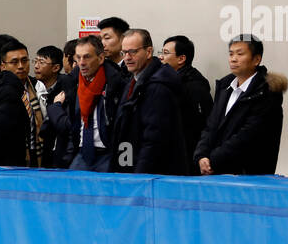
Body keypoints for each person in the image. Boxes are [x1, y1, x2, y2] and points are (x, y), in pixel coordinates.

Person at [194, 35, 288, 176]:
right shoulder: (225, 86)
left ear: (256, 59)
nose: (233, 58)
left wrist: (213, 160)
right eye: (231, 54)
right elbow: (210, 127)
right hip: (217, 171)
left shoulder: (267, 92)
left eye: (240, 54)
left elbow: (248, 136)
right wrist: (201, 156)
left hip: (248, 175)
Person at [108, 28, 186, 175]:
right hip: (130, 163)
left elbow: (154, 139)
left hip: (152, 175)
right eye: (124, 53)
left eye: (133, 52)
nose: (127, 57)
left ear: (148, 52)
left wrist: (138, 177)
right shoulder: (134, 81)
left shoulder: (158, 86)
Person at [49, 36, 123, 171]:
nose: (81, 62)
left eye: (87, 57)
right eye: (78, 57)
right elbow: (71, 123)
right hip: (81, 154)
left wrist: (125, 160)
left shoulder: (115, 83)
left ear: (100, 58)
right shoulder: (72, 84)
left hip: (108, 153)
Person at [161, 35, 213, 172]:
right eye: (161, 53)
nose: (161, 57)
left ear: (181, 59)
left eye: (165, 53)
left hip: (187, 157)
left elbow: (202, 125)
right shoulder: (167, 80)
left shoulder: (195, 85)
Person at [1, 38, 45, 167]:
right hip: (10, 154)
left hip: (36, 150)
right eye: (14, 62)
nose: (21, 66)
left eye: (24, 60)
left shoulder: (37, 86)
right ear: (3, 66)